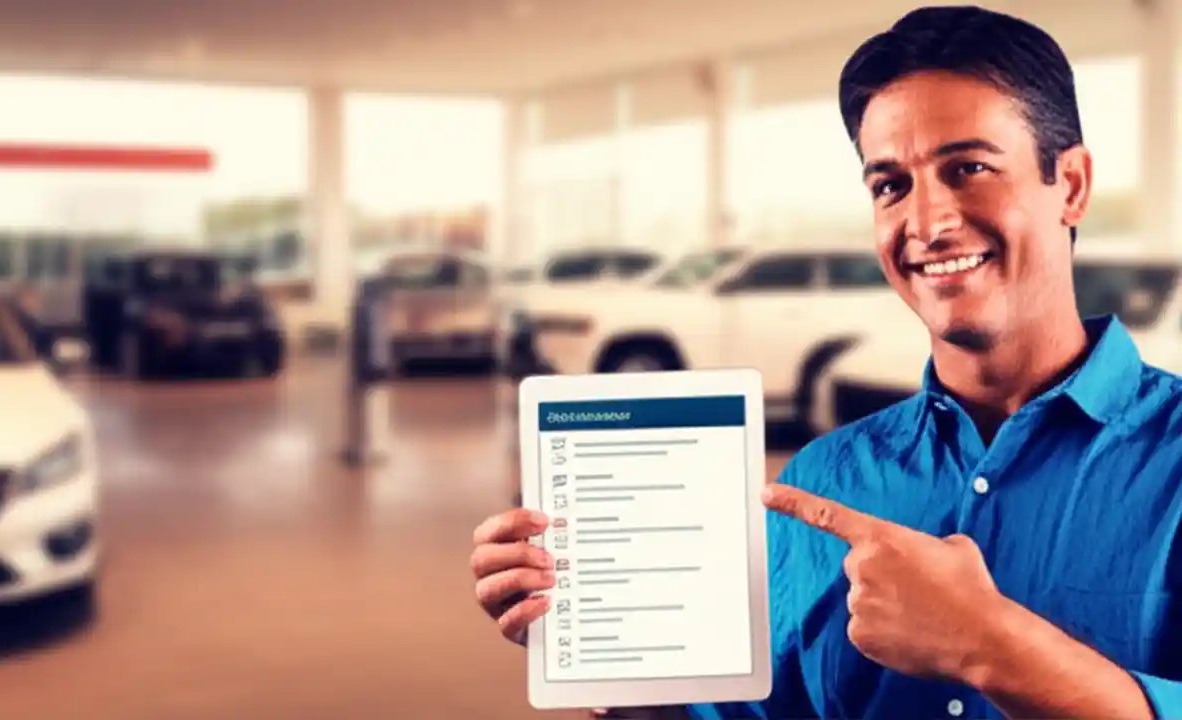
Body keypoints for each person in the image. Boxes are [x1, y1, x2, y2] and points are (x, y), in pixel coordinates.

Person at [470, 6, 1182, 719]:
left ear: (1074, 185)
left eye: (969, 168)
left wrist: (991, 645)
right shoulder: (821, 485)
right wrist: (608, 656)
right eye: (890, 185)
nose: (927, 222)